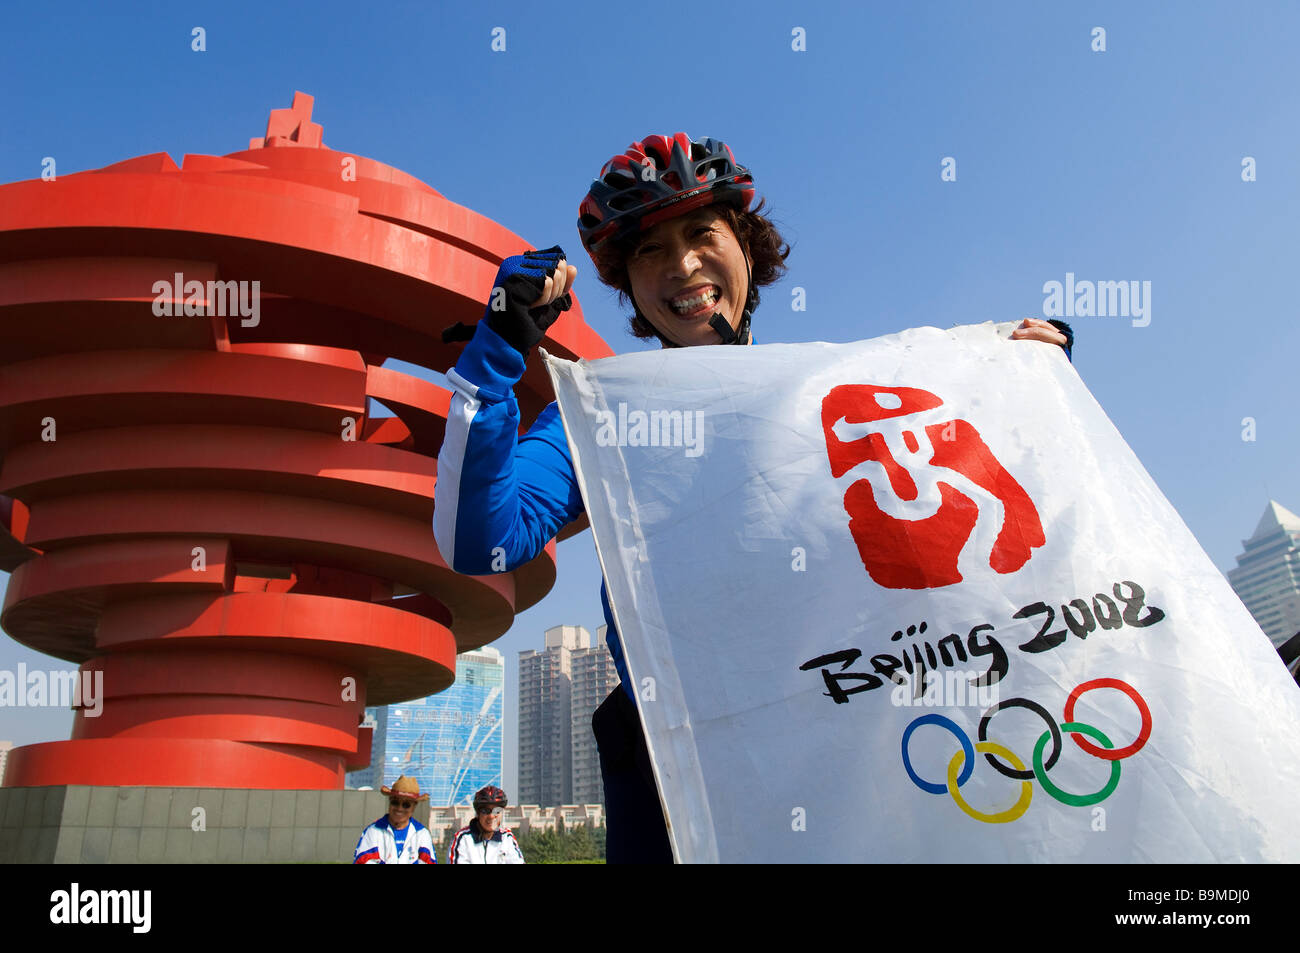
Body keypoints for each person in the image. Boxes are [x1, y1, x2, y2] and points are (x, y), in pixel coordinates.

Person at [435, 134, 1073, 863]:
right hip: (674, 771)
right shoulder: (606, 416)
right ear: (630, 289)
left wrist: (1018, 384)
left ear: (746, 244)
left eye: (701, 232)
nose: (681, 266)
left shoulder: (832, 399)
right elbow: (477, 539)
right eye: (648, 250)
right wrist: (494, 351)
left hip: (850, 735)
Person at [353, 775, 438, 864]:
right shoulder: (373, 831)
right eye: (395, 802)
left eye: (406, 805)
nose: (400, 809)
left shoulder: (422, 834)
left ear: (414, 807)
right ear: (389, 802)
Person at [447, 785, 526, 863]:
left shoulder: (507, 838)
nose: (491, 816)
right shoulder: (462, 839)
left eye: (497, 811)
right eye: (485, 811)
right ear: (478, 814)